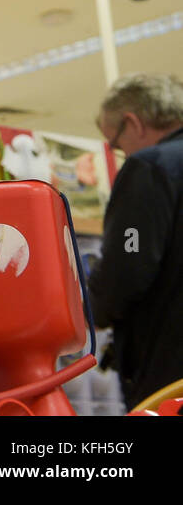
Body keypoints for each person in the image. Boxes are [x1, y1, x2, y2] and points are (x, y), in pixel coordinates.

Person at [88, 73, 183, 409]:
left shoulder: (150, 168)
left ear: (133, 122)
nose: (121, 153)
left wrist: (92, 310)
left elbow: (128, 264)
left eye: (115, 145)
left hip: (169, 376)